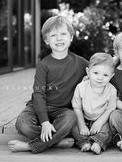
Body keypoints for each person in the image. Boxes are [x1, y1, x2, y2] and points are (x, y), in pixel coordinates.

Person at [8, 16, 88, 153]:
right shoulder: (43, 65)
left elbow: (103, 67)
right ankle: (56, 142)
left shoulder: (80, 63)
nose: (59, 38)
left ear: (71, 37)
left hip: (62, 110)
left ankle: (31, 146)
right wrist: (44, 122)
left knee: (71, 118)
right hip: (37, 106)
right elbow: (38, 94)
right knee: (23, 124)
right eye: (53, 35)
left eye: (63, 34)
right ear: (46, 40)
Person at [71, 53, 117, 155]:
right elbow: (77, 107)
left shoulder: (111, 90)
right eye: (96, 73)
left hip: (102, 119)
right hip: (84, 118)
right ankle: (84, 142)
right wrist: (82, 125)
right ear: (88, 72)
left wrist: (99, 123)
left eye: (105, 75)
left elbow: (110, 109)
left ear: (111, 76)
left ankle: (98, 143)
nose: (100, 78)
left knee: (107, 130)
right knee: (74, 128)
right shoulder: (81, 87)